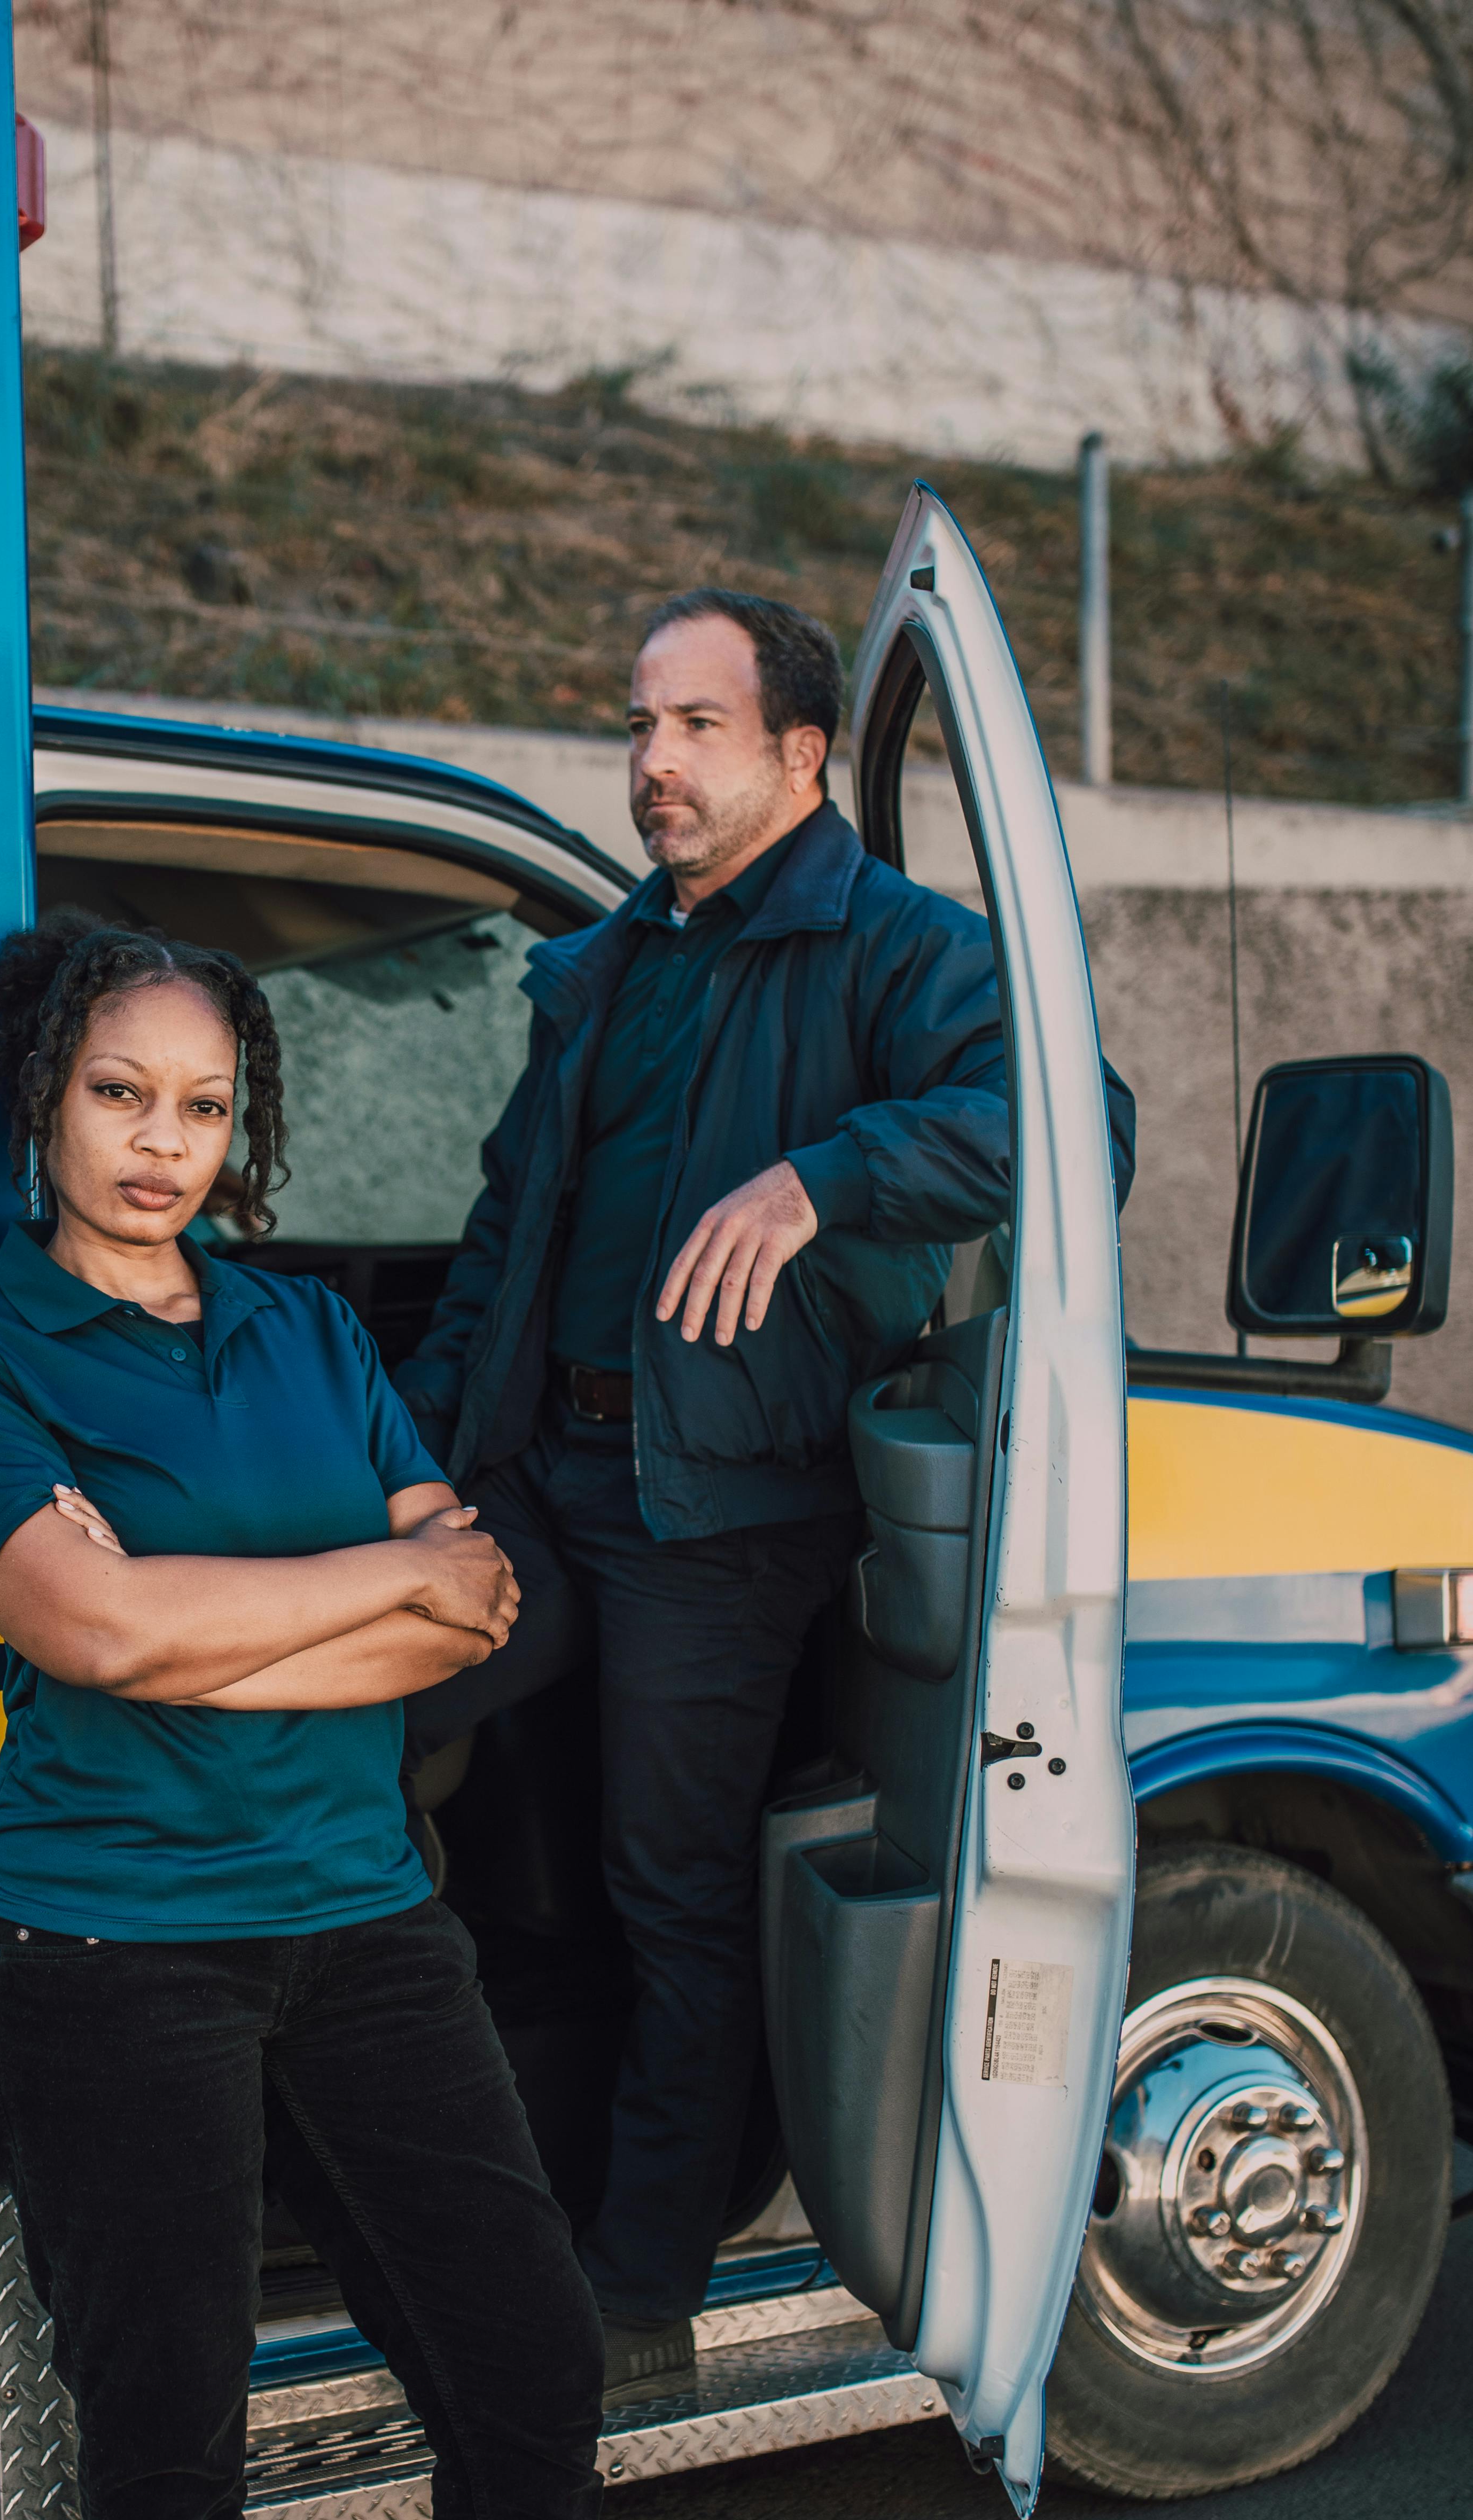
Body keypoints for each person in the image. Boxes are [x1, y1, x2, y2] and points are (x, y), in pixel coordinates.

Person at [0, 913, 789, 2520]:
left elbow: (463, 1599)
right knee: (168, 2445)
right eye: (119, 1095)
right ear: (43, 1104)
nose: (158, 1143)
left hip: (363, 1919)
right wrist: (334, 1592)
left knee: (520, 2358)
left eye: (200, 1106)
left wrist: (253, 1624)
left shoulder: (300, 1326)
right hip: (103, 1948)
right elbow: (89, 1628)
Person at [395, 590, 1137, 2391]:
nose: (651, 760)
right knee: (377, 1733)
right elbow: (510, 1234)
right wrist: (409, 1465)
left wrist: (822, 1177)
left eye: (694, 725)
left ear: (803, 754)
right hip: (544, 1472)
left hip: (721, 1518)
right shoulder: (614, 961)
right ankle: (404, 2167)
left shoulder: (893, 947)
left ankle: (637, 2289)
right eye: (640, 723)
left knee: (669, 1886)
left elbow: (1076, 1120)